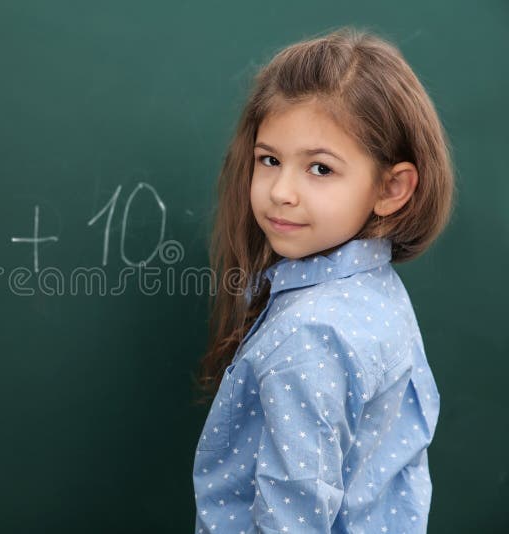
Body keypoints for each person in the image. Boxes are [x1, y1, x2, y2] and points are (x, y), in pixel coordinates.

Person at [191, 26, 456, 533]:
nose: (281, 192)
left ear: (391, 187)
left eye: (319, 168)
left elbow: (292, 518)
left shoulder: (312, 335)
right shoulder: (370, 291)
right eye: (269, 160)